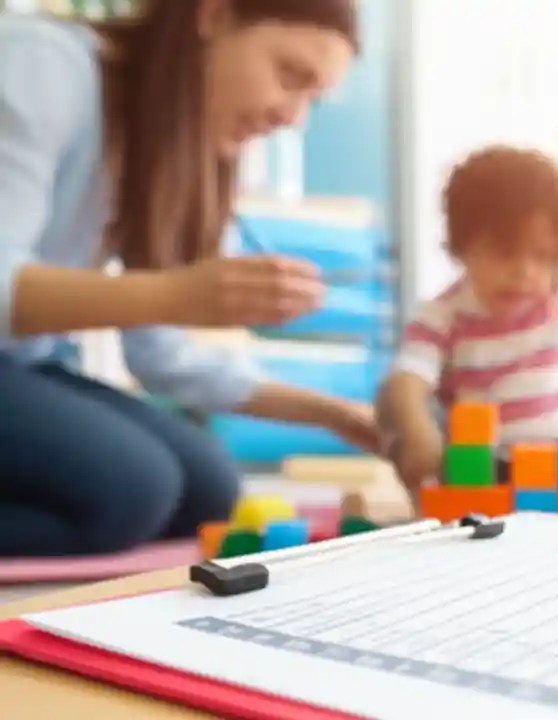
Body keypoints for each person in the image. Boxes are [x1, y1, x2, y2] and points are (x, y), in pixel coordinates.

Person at [0, 0, 380, 557]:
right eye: (290, 76)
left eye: (312, 100)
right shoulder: (44, 65)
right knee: (130, 488)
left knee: (208, 487)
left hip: (21, 363)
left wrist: (334, 414)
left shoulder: (156, 144)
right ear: (213, 16)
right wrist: (179, 293)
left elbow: (161, 355)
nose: (294, 118)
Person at [377, 145, 558, 516]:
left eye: (541, 256)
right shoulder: (443, 315)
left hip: (547, 451)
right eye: (505, 252)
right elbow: (409, 378)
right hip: (480, 462)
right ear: (462, 245)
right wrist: (418, 429)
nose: (524, 271)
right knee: (392, 405)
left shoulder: (554, 291)